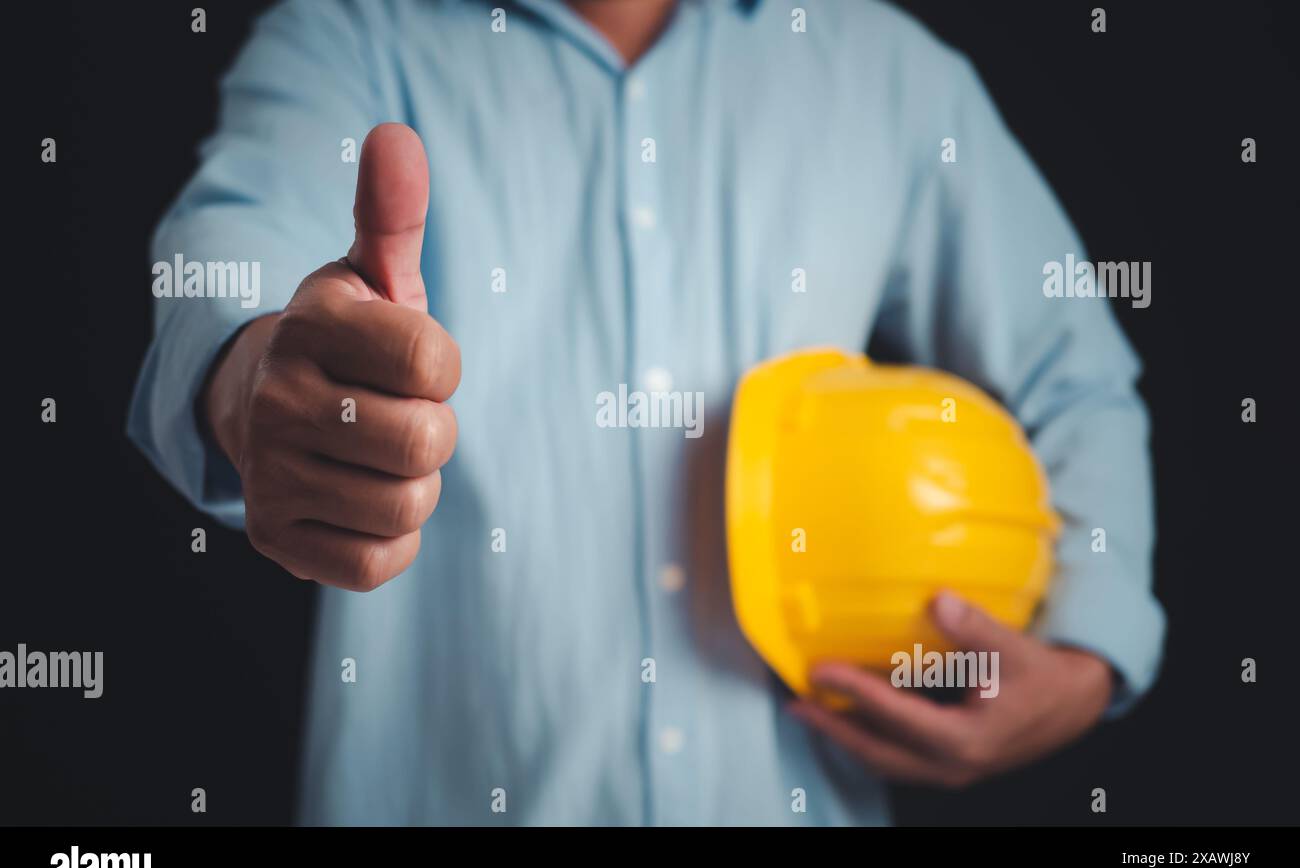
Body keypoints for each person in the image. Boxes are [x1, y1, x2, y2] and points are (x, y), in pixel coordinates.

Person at [128, 0, 1165, 825]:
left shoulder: (889, 71)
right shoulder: (345, 34)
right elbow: (234, 266)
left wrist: (1086, 655)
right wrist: (254, 378)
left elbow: (1073, 377)